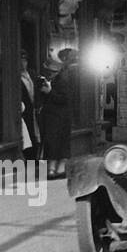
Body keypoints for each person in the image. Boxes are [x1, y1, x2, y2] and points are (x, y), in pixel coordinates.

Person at [41, 48, 80, 179]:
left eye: (52, 72)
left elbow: (64, 99)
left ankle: (58, 168)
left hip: (60, 117)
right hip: (53, 117)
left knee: (59, 142)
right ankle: (53, 167)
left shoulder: (62, 82)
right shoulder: (52, 81)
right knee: (52, 142)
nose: (50, 74)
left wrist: (49, 92)